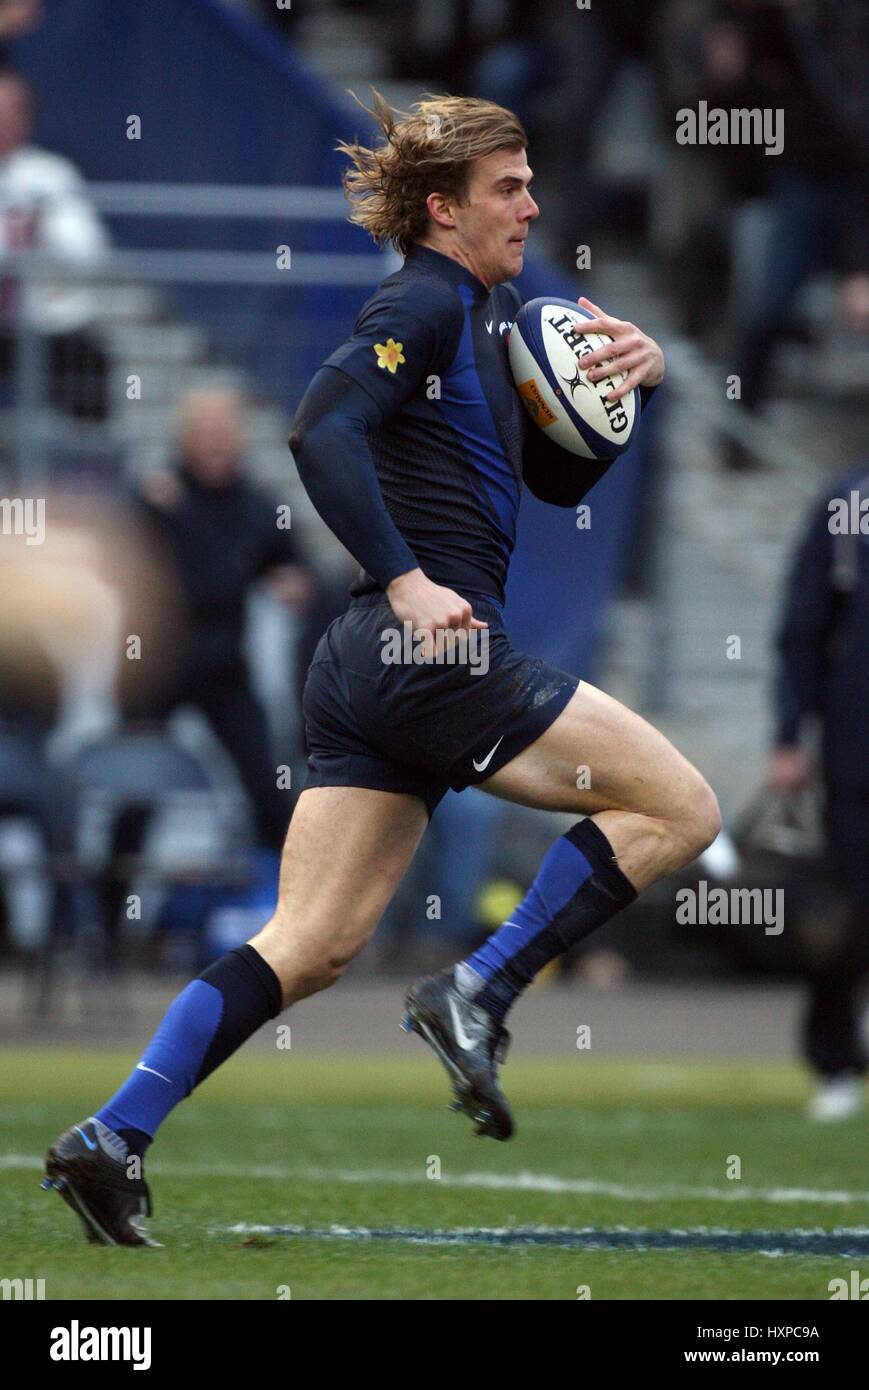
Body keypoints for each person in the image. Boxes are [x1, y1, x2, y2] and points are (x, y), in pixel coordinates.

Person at [43, 93, 720, 1246]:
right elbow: (320, 427)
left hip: (368, 663)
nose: (532, 204)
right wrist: (408, 578)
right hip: (428, 647)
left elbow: (549, 487)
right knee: (680, 806)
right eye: (508, 187)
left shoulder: (485, 316)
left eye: (528, 182)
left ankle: (111, 1137)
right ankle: (480, 988)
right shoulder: (422, 298)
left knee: (308, 944)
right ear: (444, 207)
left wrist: (627, 391)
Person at [132, 387, 314, 851]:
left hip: (226, 666)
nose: (214, 443)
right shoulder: (155, 497)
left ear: (239, 438)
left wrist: (290, 583)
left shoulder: (258, 507)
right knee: (133, 792)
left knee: (269, 788)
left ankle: (283, 905)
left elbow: (298, 571)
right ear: (183, 437)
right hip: (157, 667)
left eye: (222, 433)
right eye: (203, 432)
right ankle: (108, 915)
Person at [769, 467, 869, 1121]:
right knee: (849, 907)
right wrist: (787, 733)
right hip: (856, 742)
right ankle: (834, 1062)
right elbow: (803, 623)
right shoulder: (848, 503)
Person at [0, 71, 110, 420]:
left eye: (10, 113)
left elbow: (91, 253)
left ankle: (86, 471)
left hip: (50, 325)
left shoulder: (52, 174)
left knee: (90, 366)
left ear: (26, 120)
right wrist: (12, 239)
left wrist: (44, 228)